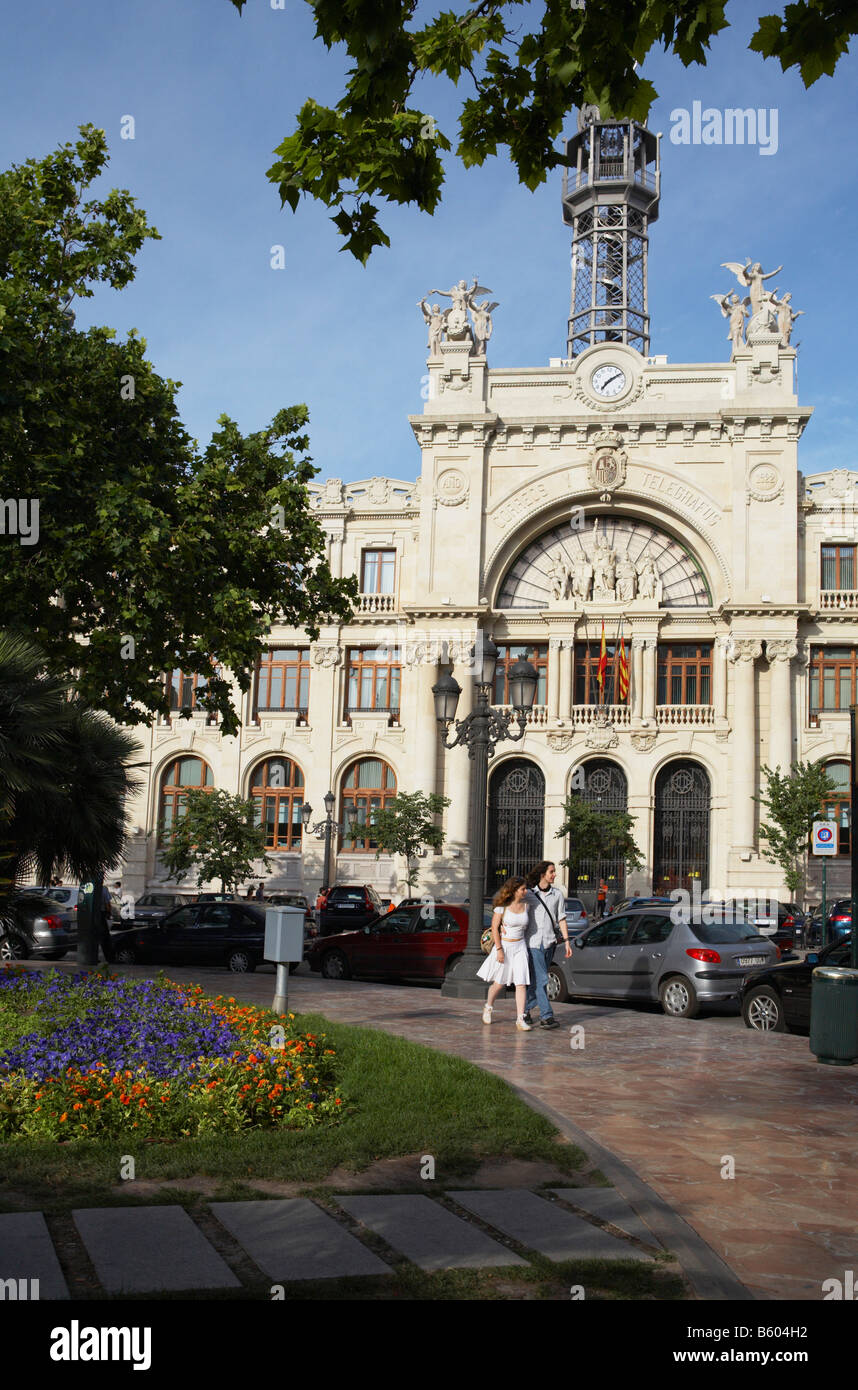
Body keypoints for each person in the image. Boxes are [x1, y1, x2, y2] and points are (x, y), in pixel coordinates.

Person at [477, 877, 533, 1031]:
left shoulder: (527, 905)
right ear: (514, 890)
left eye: (525, 888)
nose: (525, 891)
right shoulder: (502, 907)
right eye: (522, 889)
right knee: (499, 983)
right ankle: (488, 1006)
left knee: (521, 983)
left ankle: (520, 1019)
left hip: (520, 946)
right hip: (505, 946)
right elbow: (495, 928)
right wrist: (499, 950)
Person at [523, 861, 572, 1029]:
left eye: (554, 871)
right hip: (533, 944)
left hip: (550, 943)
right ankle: (546, 1016)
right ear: (542, 874)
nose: (554, 874)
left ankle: (524, 1011)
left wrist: (567, 941)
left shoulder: (557, 894)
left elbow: (561, 918)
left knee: (537, 980)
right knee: (542, 978)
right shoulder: (529, 894)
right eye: (552, 872)